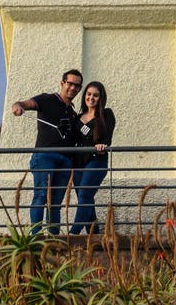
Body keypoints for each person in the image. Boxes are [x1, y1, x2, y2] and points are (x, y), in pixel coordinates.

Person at [11, 68, 83, 233]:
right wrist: (17, 106)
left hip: (65, 161)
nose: (73, 88)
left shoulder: (73, 113)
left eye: (77, 86)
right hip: (45, 156)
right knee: (41, 196)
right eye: (70, 84)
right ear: (62, 83)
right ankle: (35, 237)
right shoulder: (47, 99)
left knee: (55, 204)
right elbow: (24, 104)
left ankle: (53, 240)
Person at [70, 81, 116, 235]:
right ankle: (94, 235)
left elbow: (107, 136)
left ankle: (73, 233)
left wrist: (103, 145)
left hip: (96, 160)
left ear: (100, 98)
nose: (91, 98)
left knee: (85, 194)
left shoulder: (106, 114)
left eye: (95, 95)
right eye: (88, 94)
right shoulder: (77, 118)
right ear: (84, 96)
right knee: (86, 199)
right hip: (78, 164)